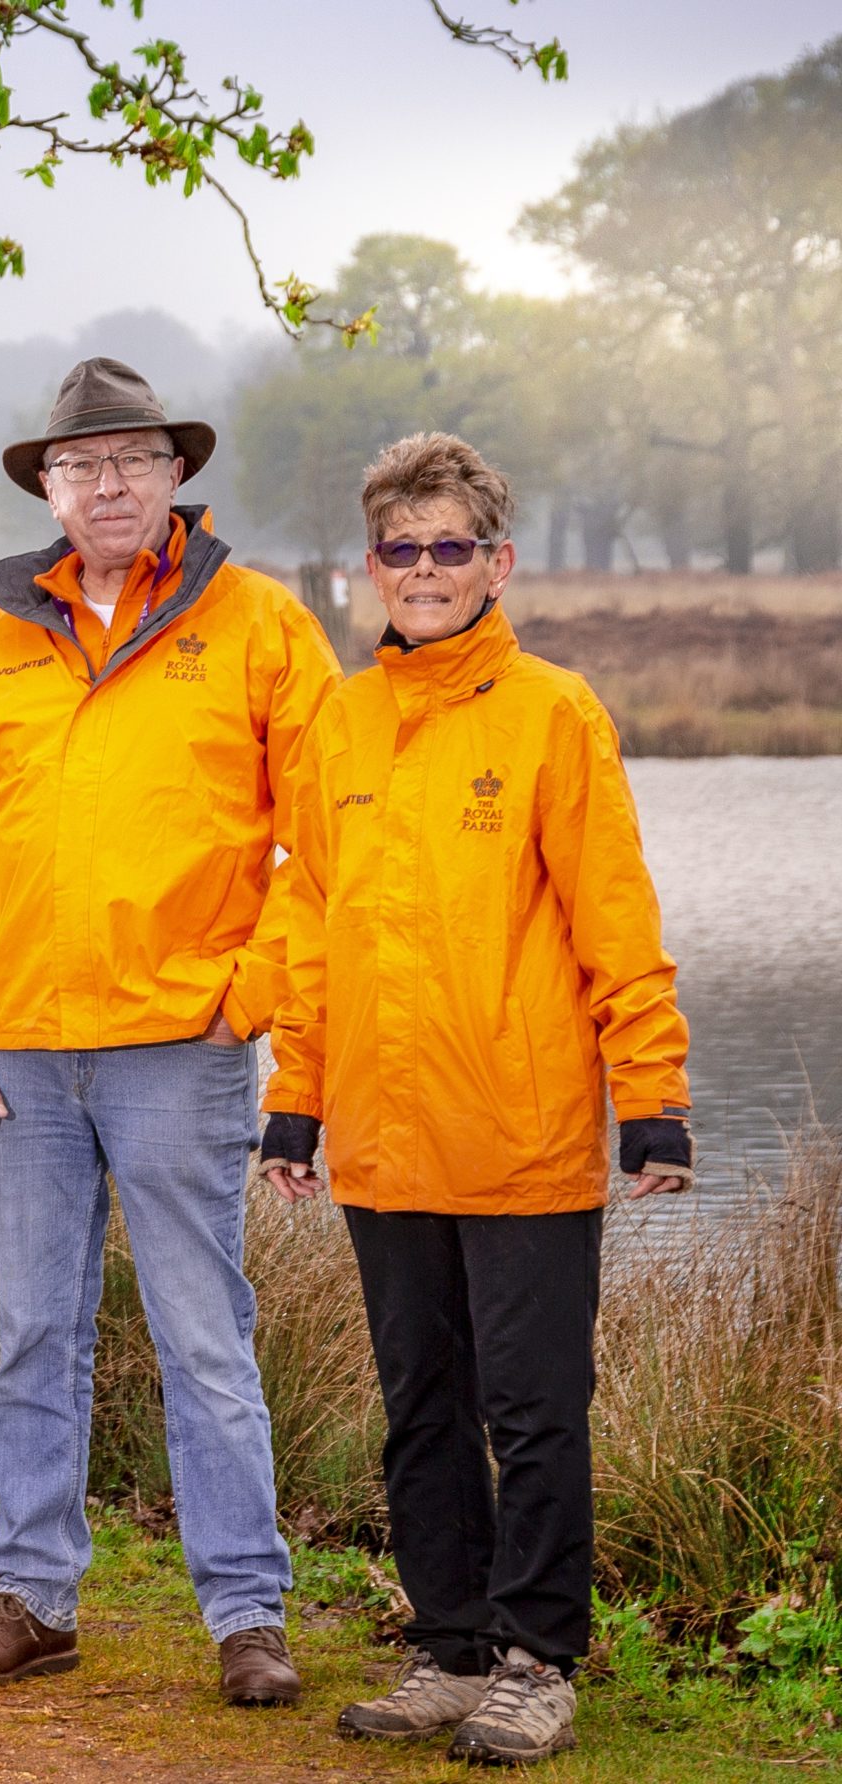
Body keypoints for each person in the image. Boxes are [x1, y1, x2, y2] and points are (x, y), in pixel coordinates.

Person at [0, 356, 339, 1703]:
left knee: (205, 1336)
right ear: (48, 486)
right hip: (22, 1050)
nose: (107, 484)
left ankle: (247, 1615)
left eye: (133, 461)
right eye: (81, 465)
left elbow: (328, 839)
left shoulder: (259, 625)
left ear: (175, 475)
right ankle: (34, 1597)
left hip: (179, 1049)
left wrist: (250, 992)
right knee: (37, 1334)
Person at [260, 433, 692, 1766]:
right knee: (421, 1405)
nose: (426, 569)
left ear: (496, 563)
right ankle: (450, 1649)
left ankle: (537, 1658)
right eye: (403, 549)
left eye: (450, 547)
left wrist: (653, 1097)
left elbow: (616, 918)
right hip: (383, 1138)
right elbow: (310, 923)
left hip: (523, 1132)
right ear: (369, 568)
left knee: (534, 1408)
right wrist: (296, 1098)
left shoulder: (554, 713)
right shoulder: (339, 721)